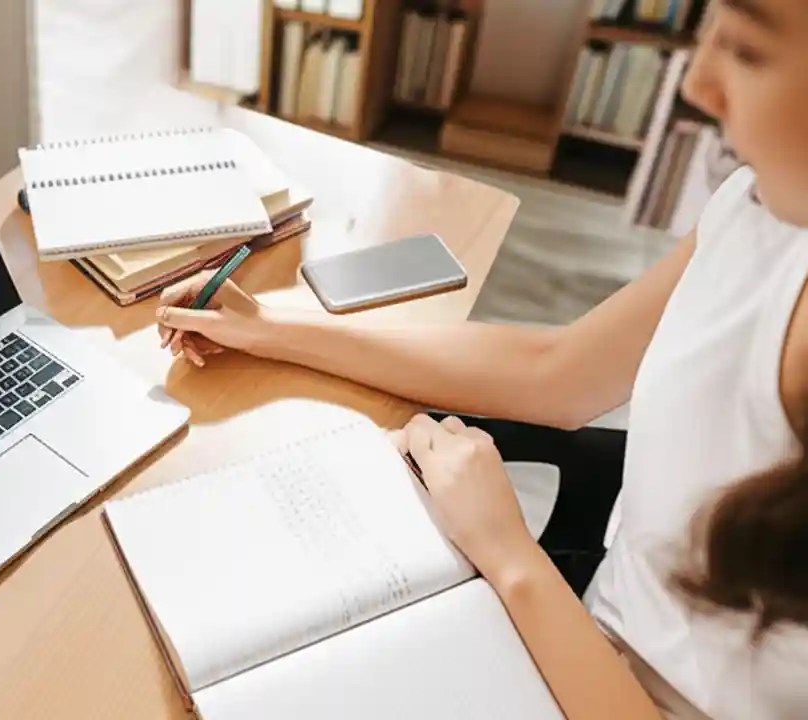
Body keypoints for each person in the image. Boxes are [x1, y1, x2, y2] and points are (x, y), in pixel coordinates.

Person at [153, 1, 808, 717]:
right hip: (578, 631)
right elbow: (557, 370)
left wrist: (508, 553)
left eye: (747, 48)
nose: (696, 83)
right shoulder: (759, 209)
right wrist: (272, 326)